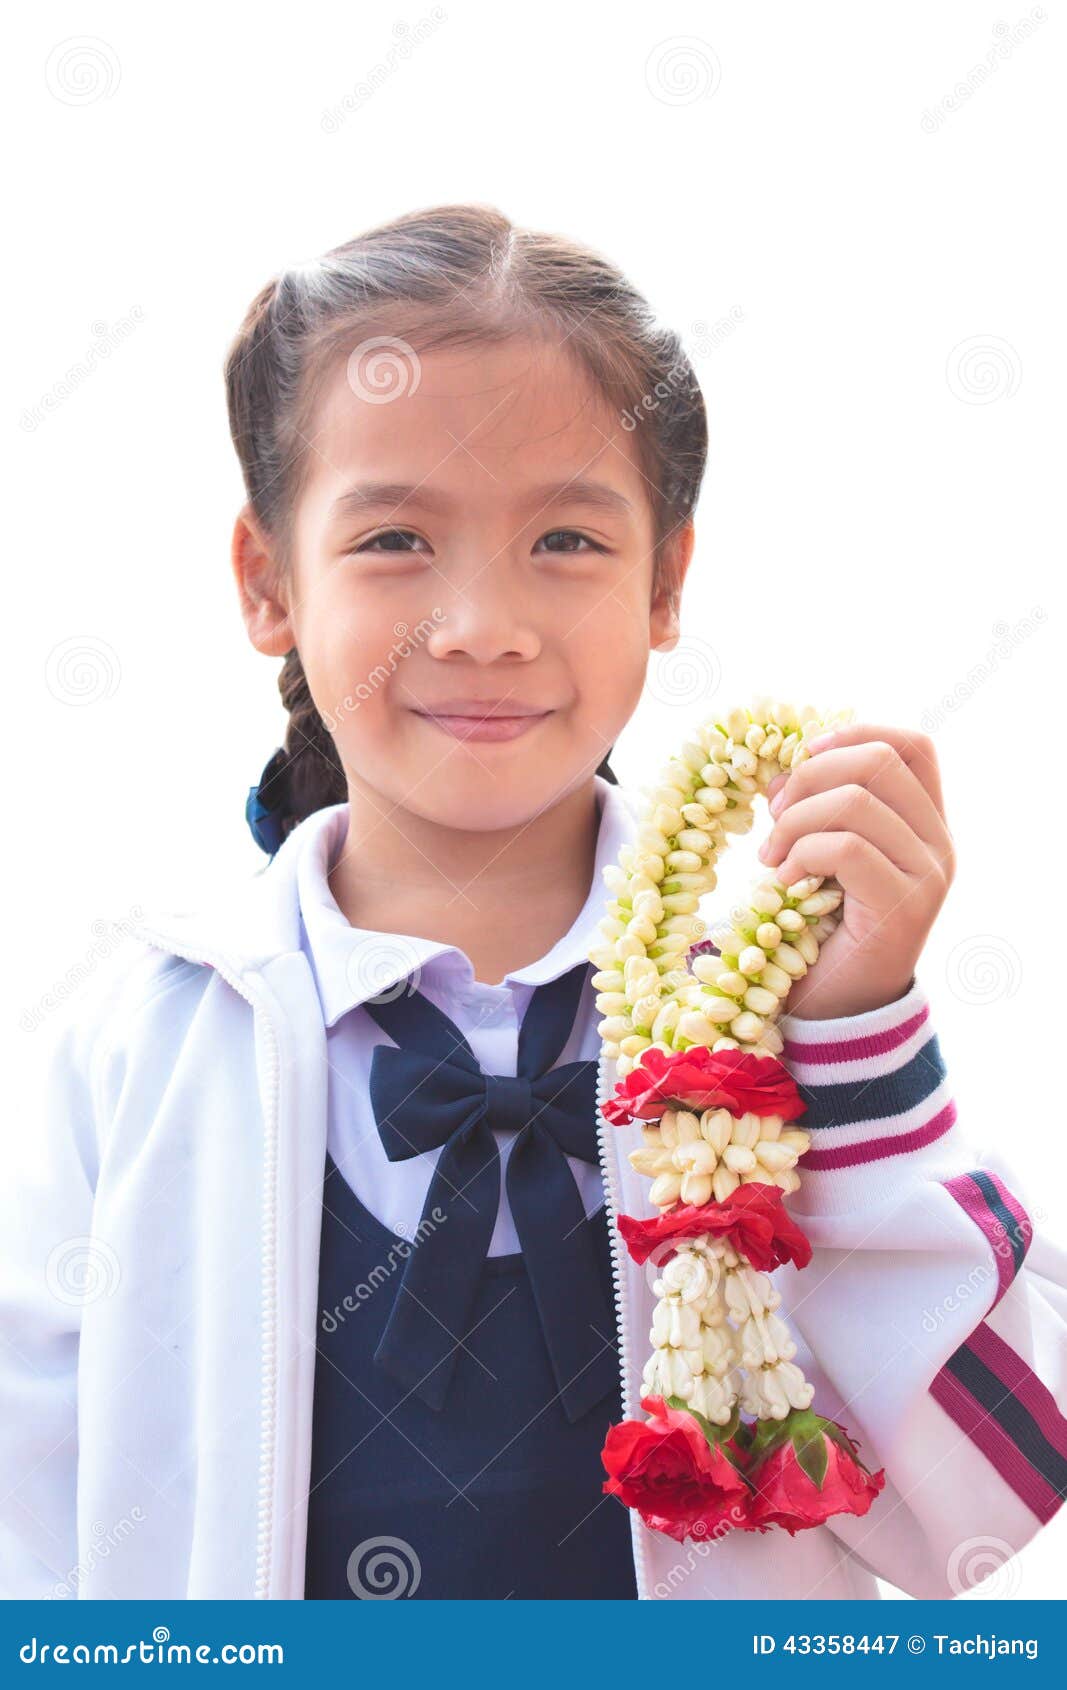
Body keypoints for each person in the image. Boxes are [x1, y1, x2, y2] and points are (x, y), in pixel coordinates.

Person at [3, 204, 1063, 1600]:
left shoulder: (782, 1020)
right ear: (269, 580)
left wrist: (864, 1036)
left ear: (667, 581)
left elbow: (984, 1507)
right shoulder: (135, 1053)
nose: (486, 623)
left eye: (566, 538)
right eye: (394, 538)